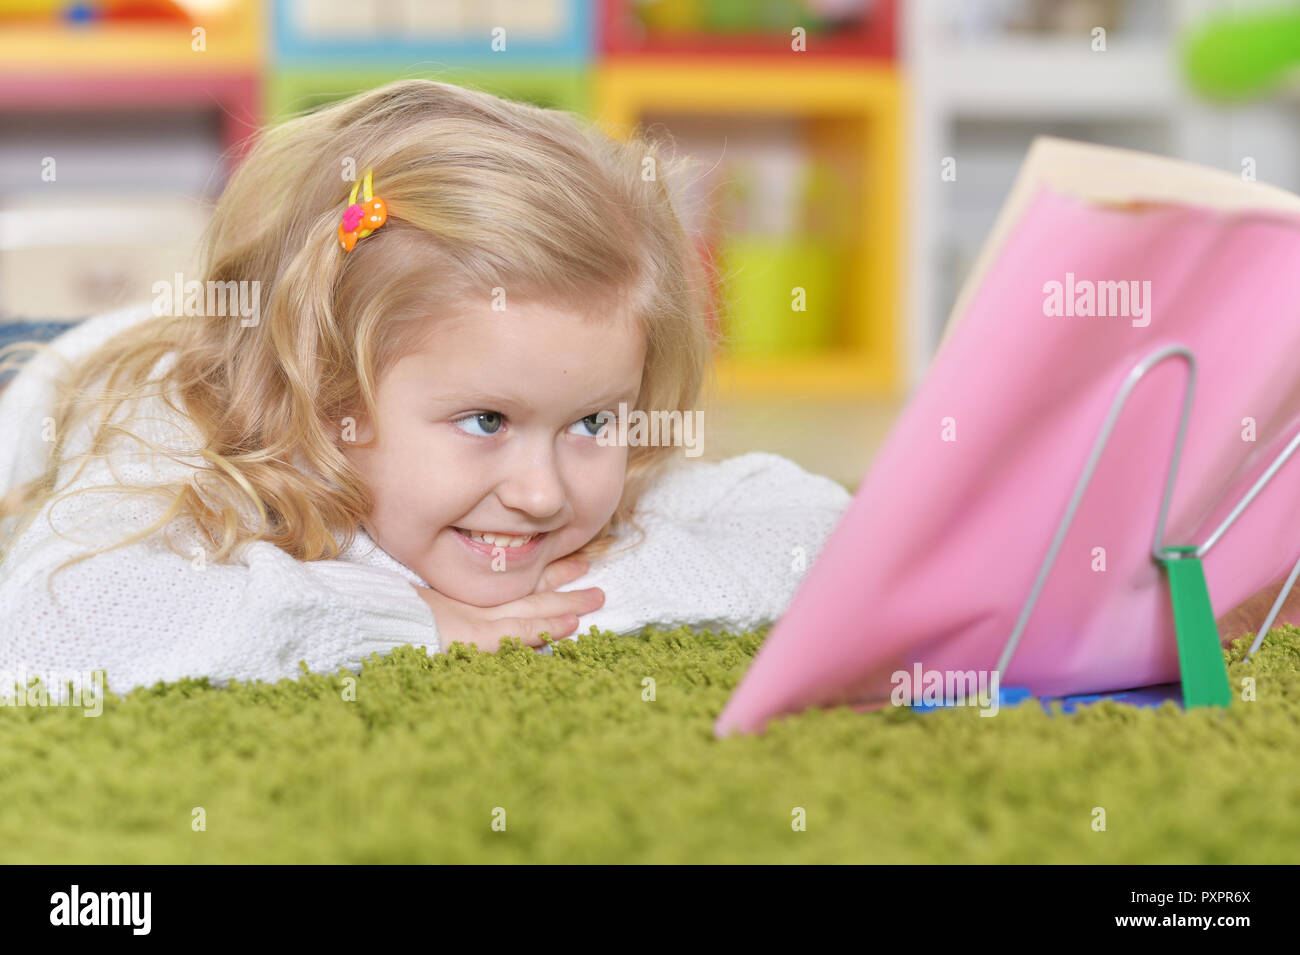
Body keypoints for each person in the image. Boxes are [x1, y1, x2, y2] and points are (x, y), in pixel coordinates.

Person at [0, 79, 852, 698]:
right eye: (487, 419)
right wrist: (416, 619)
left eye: (592, 420)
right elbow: (48, 625)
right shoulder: (177, 436)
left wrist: (577, 603)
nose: (541, 490)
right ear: (327, 396)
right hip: (56, 358)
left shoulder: (554, 448)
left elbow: (827, 533)